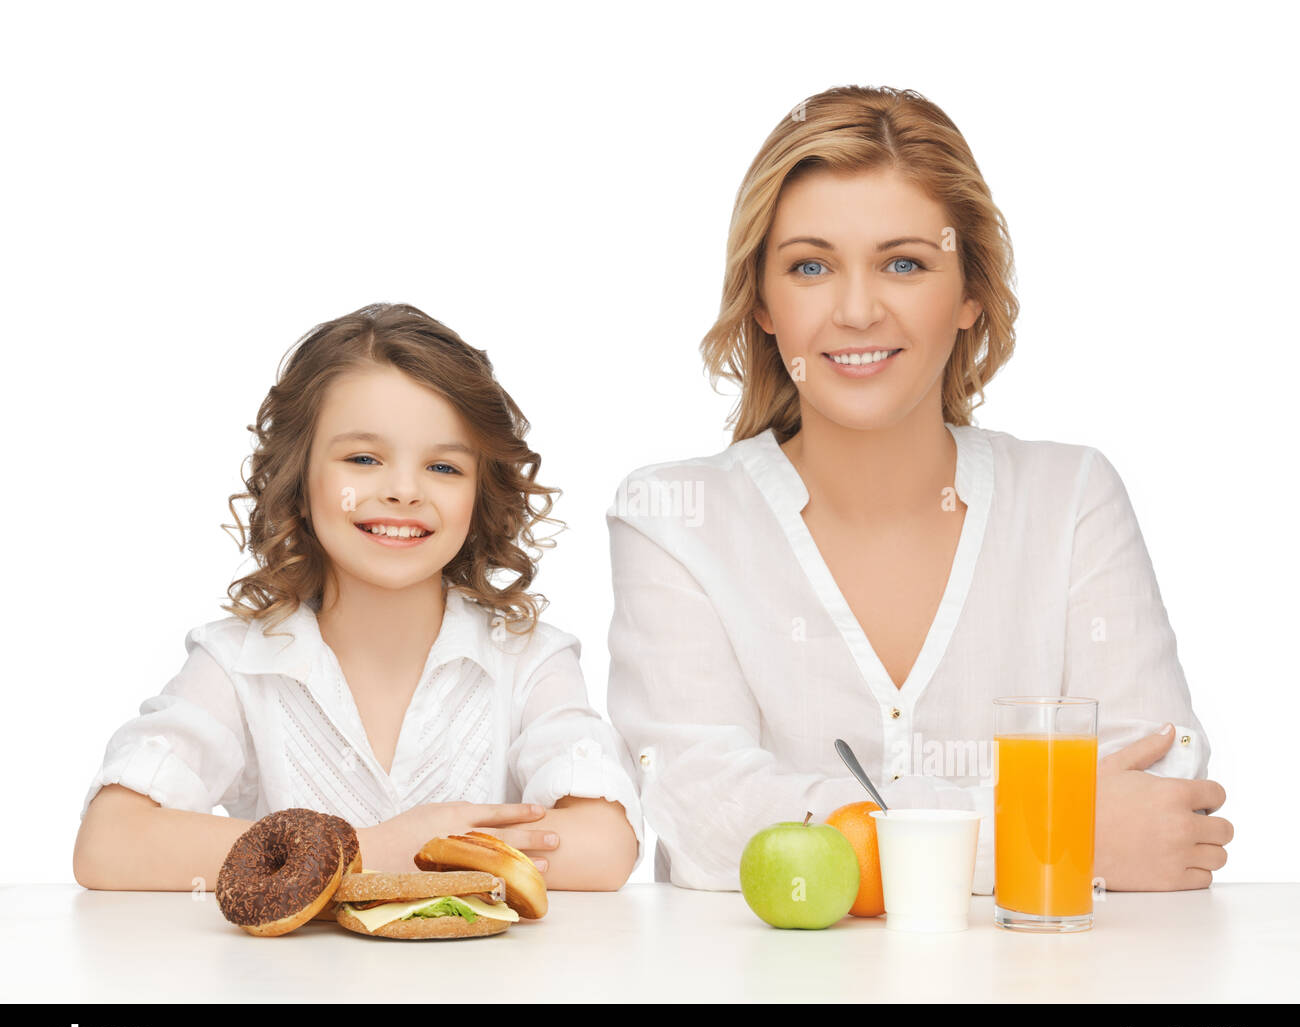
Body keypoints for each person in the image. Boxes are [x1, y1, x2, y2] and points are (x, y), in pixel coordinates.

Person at [605, 85, 1232, 895]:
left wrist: (851, 835)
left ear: (971, 293)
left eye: (904, 263)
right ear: (761, 302)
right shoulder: (674, 520)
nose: (858, 309)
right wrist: (1045, 837)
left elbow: (1162, 783)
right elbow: (709, 820)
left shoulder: (1070, 497)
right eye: (810, 266)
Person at [75, 303, 642, 892]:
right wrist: (370, 849)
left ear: (480, 494)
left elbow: (603, 847)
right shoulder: (237, 662)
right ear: (298, 482)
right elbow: (109, 843)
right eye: (363, 459)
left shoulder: (528, 659)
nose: (403, 490)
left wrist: (405, 851)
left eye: (444, 466)